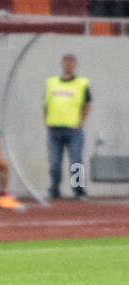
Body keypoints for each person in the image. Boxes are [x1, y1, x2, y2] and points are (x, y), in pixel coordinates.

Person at [43, 53, 90, 200]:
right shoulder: (52, 83)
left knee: (76, 161)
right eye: (66, 62)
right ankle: (54, 189)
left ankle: (78, 190)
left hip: (73, 130)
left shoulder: (82, 83)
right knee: (54, 163)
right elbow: (46, 104)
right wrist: (46, 120)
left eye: (71, 62)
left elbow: (87, 104)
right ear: (62, 63)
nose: (68, 65)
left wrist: (80, 122)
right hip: (54, 129)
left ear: (75, 64)